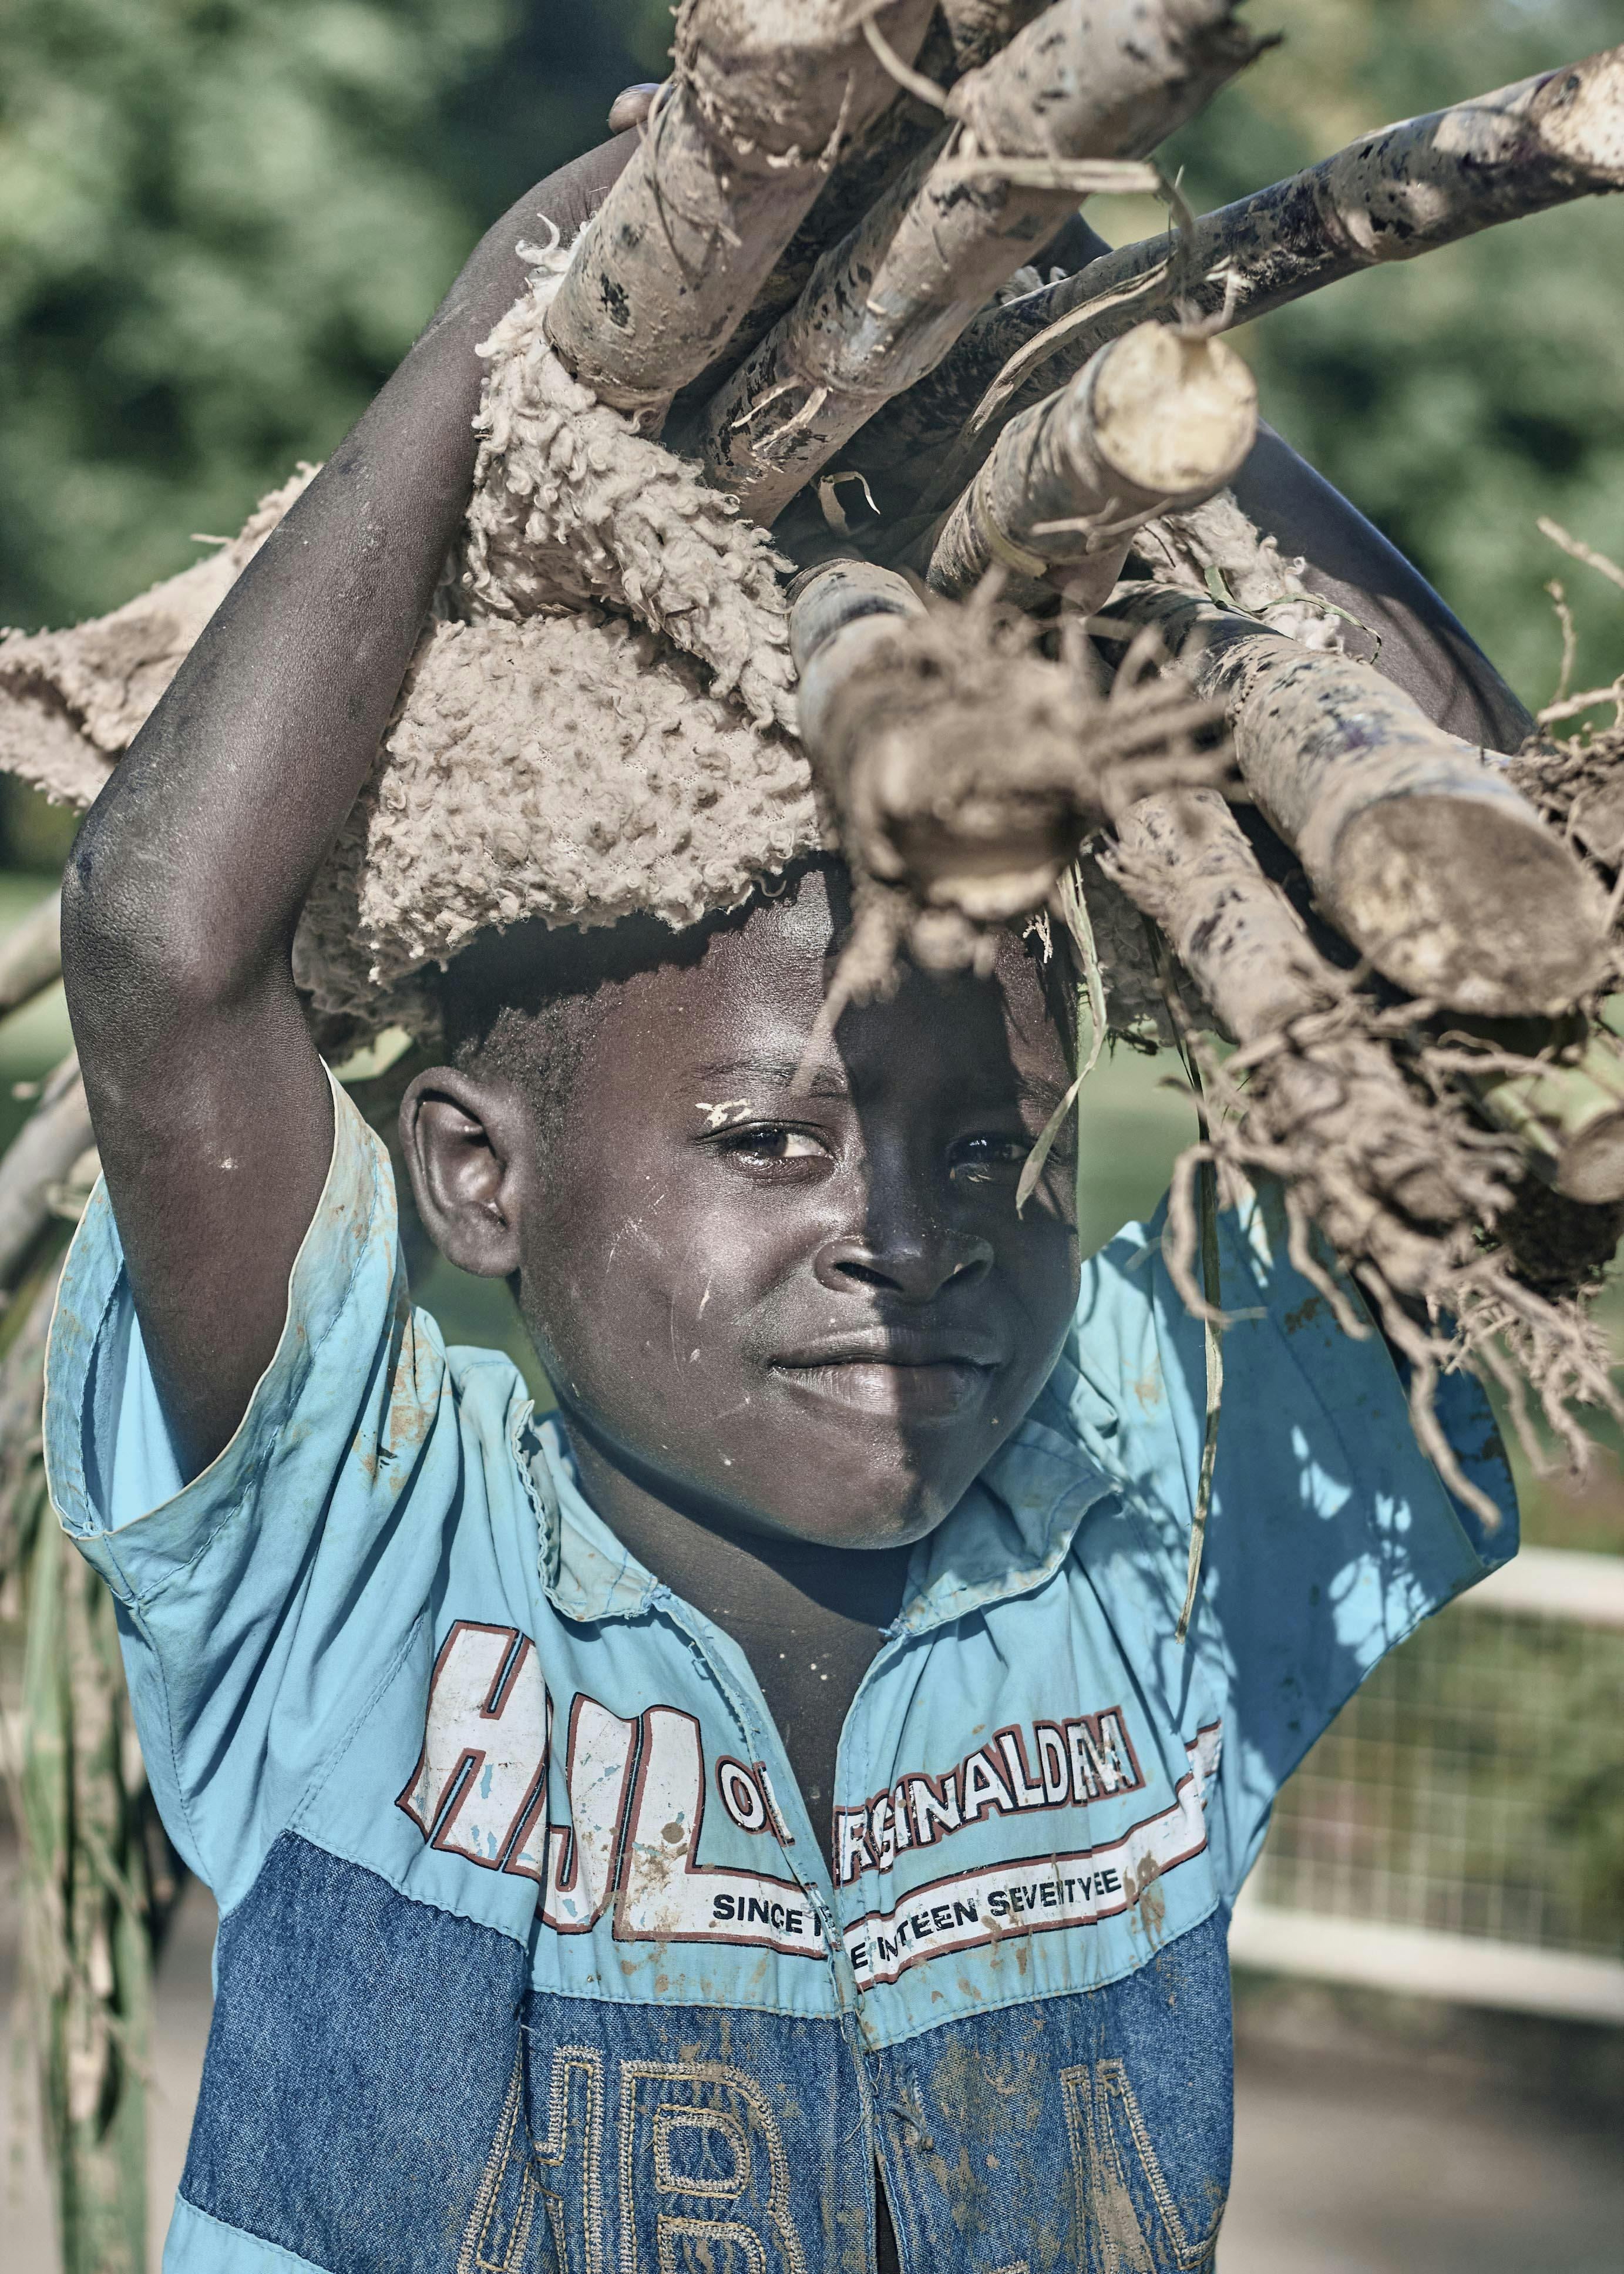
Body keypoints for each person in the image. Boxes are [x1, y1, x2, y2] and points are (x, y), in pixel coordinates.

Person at [46, 110, 1518, 2274]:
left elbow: (1466, 954)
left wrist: (1076, 294)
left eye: (989, 1153)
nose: (909, 1236)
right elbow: (169, 954)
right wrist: (516, 327)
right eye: (772, 1141)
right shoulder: (365, 1551)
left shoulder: (1143, 1492)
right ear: (471, 1172)